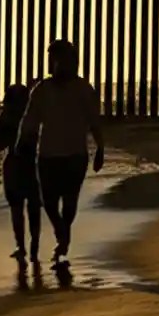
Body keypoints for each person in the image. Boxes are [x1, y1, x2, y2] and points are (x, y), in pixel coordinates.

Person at [17, 40, 104, 267]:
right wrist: (21, 144)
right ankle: (61, 231)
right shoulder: (42, 90)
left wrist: (101, 148)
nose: (57, 64)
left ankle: (63, 237)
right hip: (47, 155)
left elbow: (95, 122)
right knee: (49, 200)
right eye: (54, 59)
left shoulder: (84, 89)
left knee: (70, 198)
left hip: (75, 154)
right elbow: (29, 121)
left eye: (61, 59)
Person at [0, 82, 40, 265]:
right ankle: (30, 246)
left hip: (15, 165)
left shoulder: (8, 119)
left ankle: (24, 247)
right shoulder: (32, 117)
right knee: (30, 207)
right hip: (29, 164)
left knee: (19, 208)